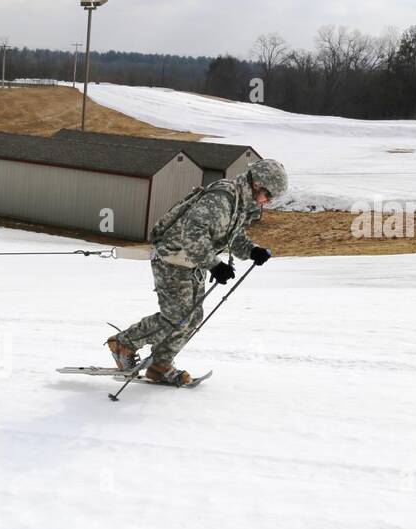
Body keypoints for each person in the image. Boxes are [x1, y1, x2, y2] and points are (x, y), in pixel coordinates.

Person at [107, 159, 288, 384]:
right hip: (172, 259)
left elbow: (233, 236)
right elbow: (192, 233)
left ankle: (160, 365)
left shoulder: (241, 204)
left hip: (192, 264)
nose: (268, 202)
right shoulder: (222, 199)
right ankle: (123, 343)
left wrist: (253, 251)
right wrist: (214, 264)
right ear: (258, 184)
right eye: (268, 195)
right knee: (176, 317)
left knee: (192, 317)